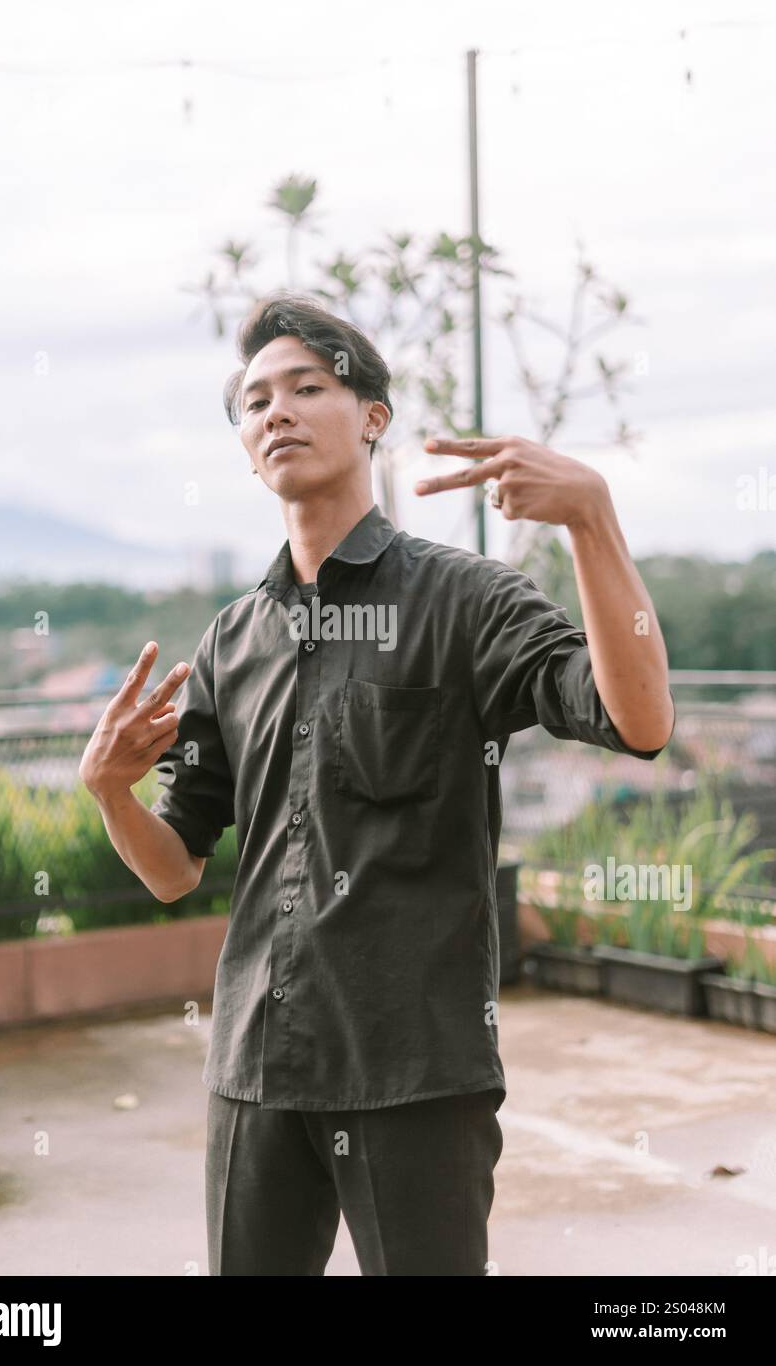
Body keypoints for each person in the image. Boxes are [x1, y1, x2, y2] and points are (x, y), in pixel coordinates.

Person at [79, 292, 675, 1276]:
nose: (276, 410)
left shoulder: (462, 599)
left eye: (307, 386)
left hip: (414, 1075)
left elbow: (638, 718)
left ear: (371, 417)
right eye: (254, 400)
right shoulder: (232, 640)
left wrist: (590, 521)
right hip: (254, 1072)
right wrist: (109, 794)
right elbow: (175, 869)